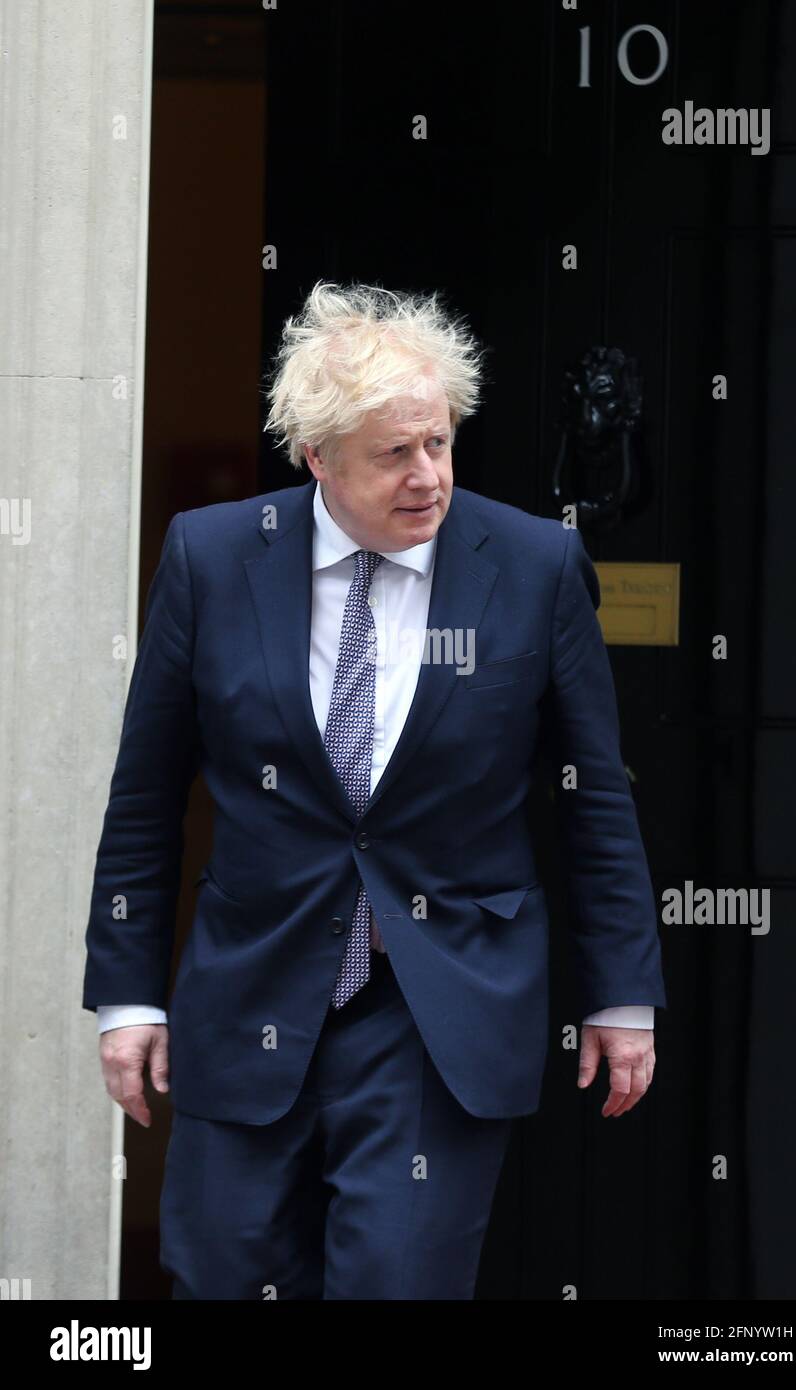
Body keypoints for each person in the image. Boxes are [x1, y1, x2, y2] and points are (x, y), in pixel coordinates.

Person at [83, 280, 667, 1300]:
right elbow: (145, 793)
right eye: (395, 454)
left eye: (438, 442)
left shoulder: (531, 564)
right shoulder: (213, 558)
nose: (428, 476)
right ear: (317, 457)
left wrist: (623, 992)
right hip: (255, 989)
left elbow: (594, 796)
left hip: (437, 1002)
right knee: (222, 1276)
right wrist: (127, 995)